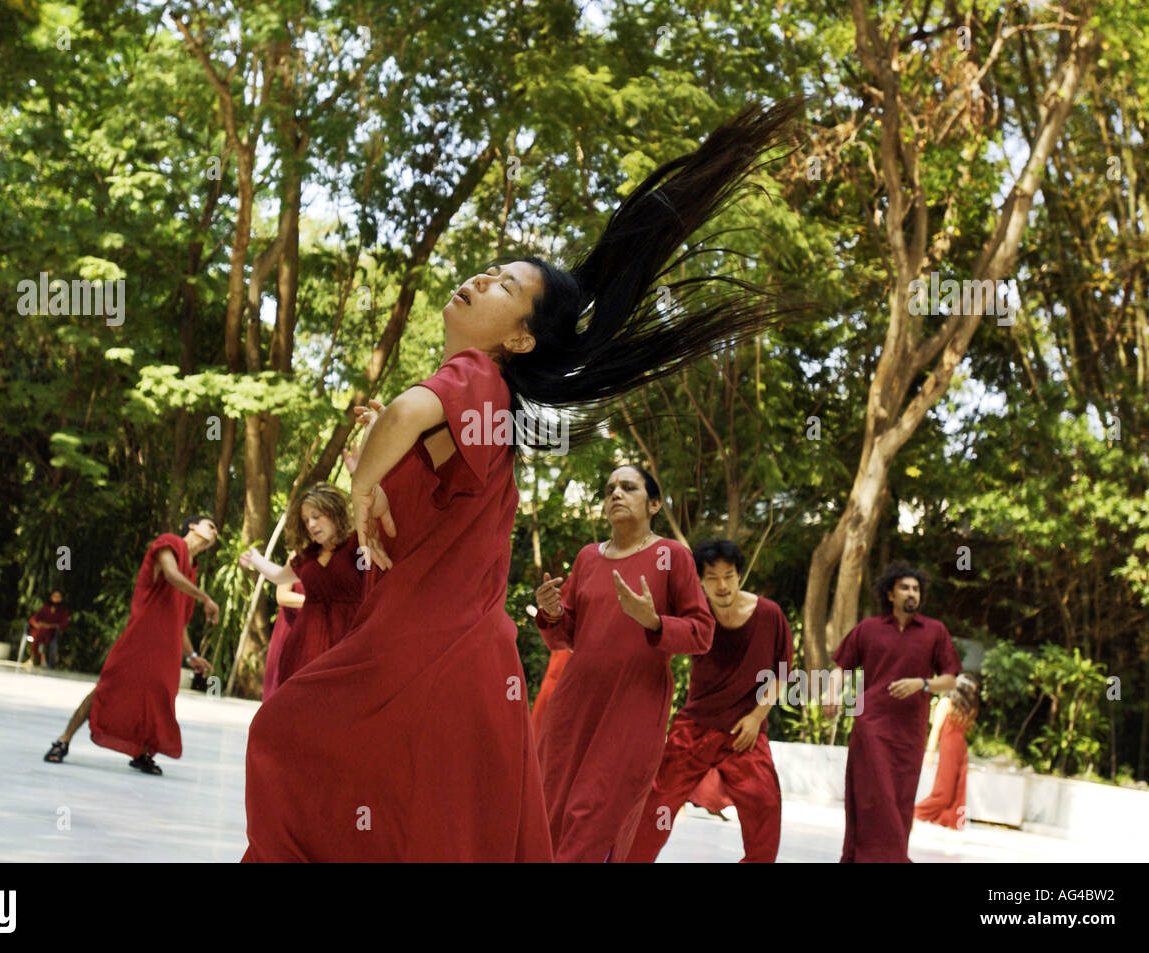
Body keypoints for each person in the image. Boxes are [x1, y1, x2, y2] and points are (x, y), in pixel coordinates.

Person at [243, 99, 802, 861]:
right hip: (462, 660)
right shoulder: (493, 419)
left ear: (519, 337)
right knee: (410, 821)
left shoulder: (476, 377)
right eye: (490, 270)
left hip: (443, 653)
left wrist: (363, 482)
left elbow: (406, 414)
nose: (481, 279)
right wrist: (375, 468)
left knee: (299, 745)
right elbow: (427, 473)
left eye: (504, 284)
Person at [534, 466, 714, 862]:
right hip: (573, 707)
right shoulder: (587, 557)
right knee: (553, 810)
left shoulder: (672, 556)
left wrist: (655, 622)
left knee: (595, 815)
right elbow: (566, 636)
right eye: (610, 488)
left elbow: (702, 633)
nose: (616, 493)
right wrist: (552, 613)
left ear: (654, 504)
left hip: (634, 707)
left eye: (628, 487)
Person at [625, 539, 793, 863]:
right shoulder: (696, 615)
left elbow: (783, 671)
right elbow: (658, 637)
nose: (722, 585)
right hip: (695, 727)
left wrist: (757, 717)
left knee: (765, 804)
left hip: (745, 732)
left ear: (740, 575)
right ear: (700, 581)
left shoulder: (770, 614)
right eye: (712, 577)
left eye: (728, 575)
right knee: (657, 806)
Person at [42, 516, 219, 775]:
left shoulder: (192, 570)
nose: (215, 532)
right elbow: (171, 575)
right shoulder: (169, 543)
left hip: (166, 648)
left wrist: (191, 655)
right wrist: (204, 597)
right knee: (108, 687)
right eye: (210, 526)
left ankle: (143, 753)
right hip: (141, 638)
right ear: (192, 527)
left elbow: (179, 621)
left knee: (159, 698)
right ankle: (63, 739)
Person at [823, 564, 962, 862]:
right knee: (872, 797)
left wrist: (922, 683)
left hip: (909, 734)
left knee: (899, 801)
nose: (912, 593)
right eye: (905, 588)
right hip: (871, 727)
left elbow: (951, 679)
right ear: (890, 594)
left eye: (916, 589)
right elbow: (840, 667)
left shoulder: (934, 632)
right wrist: (831, 694)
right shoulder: (869, 629)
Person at [241, 482, 365, 700]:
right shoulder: (307, 556)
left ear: (333, 512)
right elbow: (279, 576)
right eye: (306, 520)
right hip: (303, 645)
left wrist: (359, 474)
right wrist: (256, 560)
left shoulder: (357, 546)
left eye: (316, 516)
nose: (311, 524)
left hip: (347, 641)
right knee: (296, 704)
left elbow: (368, 511)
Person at [915, 671, 980, 829]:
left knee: (959, 788)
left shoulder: (962, 707)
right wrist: (930, 751)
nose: (973, 694)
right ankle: (914, 813)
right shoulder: (946, 702)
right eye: (971, 690)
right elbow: (935, 729)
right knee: (944, 791)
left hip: (961, 748)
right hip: (948, 748)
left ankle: (951, 821)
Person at [27, 590, 71, 669]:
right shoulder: (45, 608)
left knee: (43, 634)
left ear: (61, 599)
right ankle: (38, 658)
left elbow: (64, 625)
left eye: (58, 597)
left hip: (52, 632)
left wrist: (49, 626)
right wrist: (36, 624)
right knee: (37, 634)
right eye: (54, 596)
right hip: (39, 630)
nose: (56, 599)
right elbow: (34, 618)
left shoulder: (64, 611)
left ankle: (39, 658)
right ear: (51, 598)